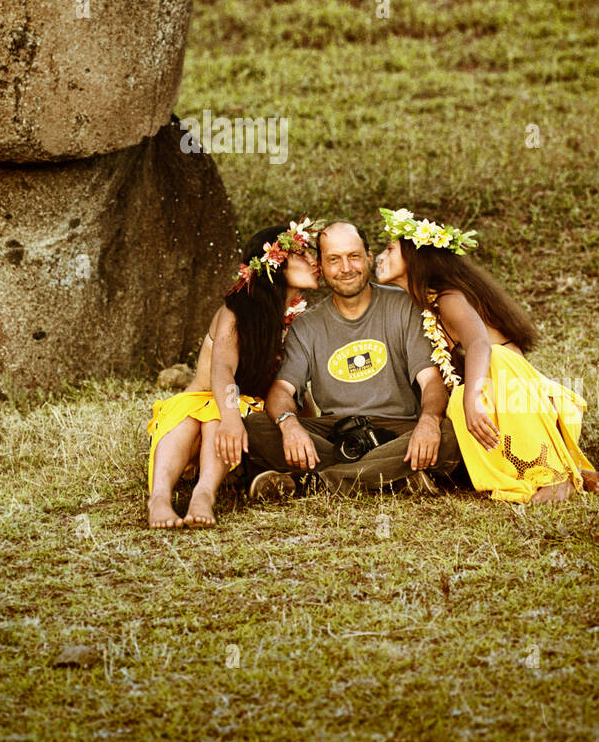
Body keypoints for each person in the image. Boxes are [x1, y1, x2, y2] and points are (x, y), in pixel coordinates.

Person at [374, 207, 599, 505]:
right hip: (505, 403)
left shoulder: (449, 298)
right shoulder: (426, 307)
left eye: (390, 249)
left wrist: (472, 398)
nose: (380, 256)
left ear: (415, 258)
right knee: (458, 402)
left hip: (524, 399)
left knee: (470, 390)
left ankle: (556, 477)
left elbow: (479, 343)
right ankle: (570, 472)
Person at [244, 221, 460, 496]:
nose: (346, 268)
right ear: (321, 266)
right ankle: (394, 477)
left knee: (450, 435)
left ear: (369, 257)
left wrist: (429, 421)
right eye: (334, 260)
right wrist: (289, 425)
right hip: (336, 433)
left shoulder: (405, 306)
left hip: (398, 430)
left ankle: (318, 482)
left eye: (354, 256)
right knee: (258, 426)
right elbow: (282, 389)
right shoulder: (306, 326)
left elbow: (431, 381)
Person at [146, 217, 321, 529]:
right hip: (212, 405)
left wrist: (306, 428)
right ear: (276, 262)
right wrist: (229, 418)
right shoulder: (237, 309)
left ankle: (204, 495)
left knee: (218, 414)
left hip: (247, 417)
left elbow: (290, 386)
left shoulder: (298, 318)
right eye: (303, 254)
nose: (314, 261)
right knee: (202, 413)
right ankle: (159, 498)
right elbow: (223, 368)